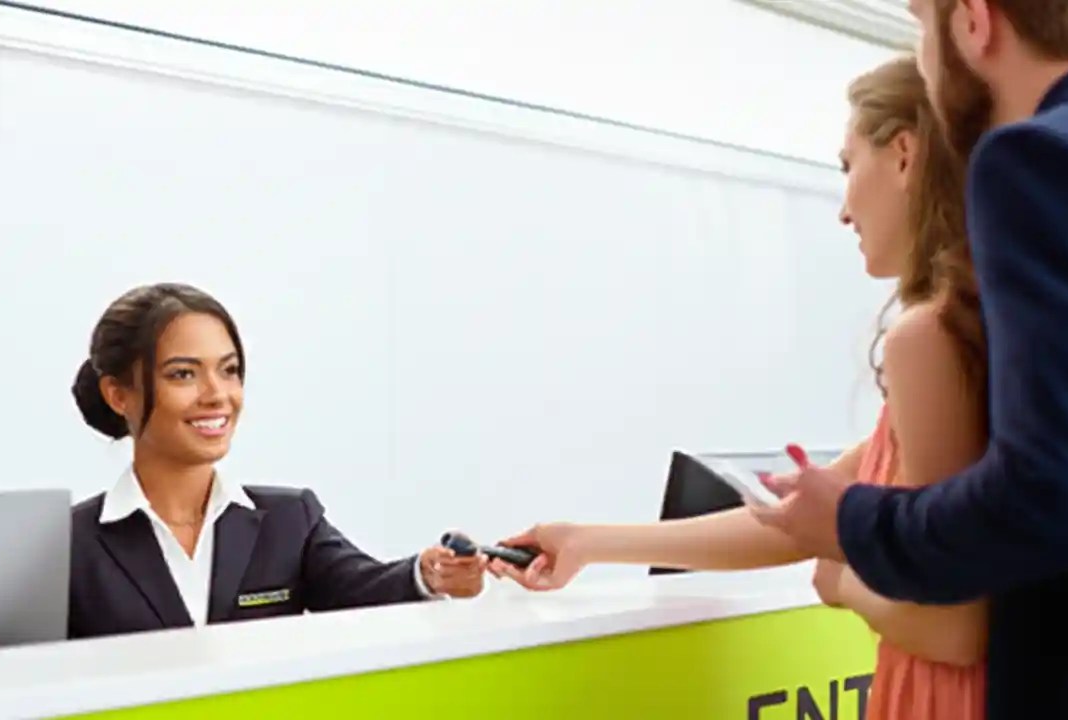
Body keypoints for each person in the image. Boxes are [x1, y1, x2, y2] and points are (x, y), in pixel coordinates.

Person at [491, 57, 989, 718]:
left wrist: (842, 580)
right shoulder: (989, 324)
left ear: (904, 154)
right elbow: (788, 520)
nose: (843, 209)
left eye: (847, 166)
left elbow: (955, 626)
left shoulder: (926, 339)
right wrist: (589, 541)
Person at [752, 1, 1068, 718]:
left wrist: (855, 524)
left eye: (923, 25)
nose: (925, 57)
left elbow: (1063, 500)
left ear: (975, 22)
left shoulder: (1041, 159)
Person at [68, 283, 485, 639]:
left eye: (229, 370)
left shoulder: (289, 521)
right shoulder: (68, 545)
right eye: (183, 374)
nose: (217, 394)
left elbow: (368, 591)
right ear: (118, 394)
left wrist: (431, 575)